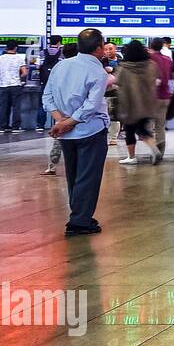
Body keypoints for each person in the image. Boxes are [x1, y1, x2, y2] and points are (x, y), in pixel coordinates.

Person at [42, 28, 111, 235]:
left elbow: (47, 97)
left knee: (73, 176)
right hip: (90, 131)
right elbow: (91, 106)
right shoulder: (98, 71)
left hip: (66, 133)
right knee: (88, 176)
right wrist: (68, 122)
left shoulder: (60, 66)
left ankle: (80, 215)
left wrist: (60, 121)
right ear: (98, 48)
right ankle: (79, 222)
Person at [111, 39, 162, 166]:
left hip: (129, 105)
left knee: (130, 131)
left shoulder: (124, 67)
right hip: (146, 104)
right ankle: (154, 149)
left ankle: (131, 157)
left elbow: (117, 83)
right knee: (143, 130)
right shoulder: (151, 65)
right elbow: (156, 79)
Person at [40, 43, 80, 175]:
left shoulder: (58, 68)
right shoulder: (85, 68)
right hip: (80, 116)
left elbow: (47, 95)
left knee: (59, 141)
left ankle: (51, 166)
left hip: (62, 115)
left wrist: (60, 119)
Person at [145, 37, 174, 156]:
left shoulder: (148, 59)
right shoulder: (168, 59)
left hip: (151, 97)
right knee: (160, 126)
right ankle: (160, 152)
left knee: (146, 126)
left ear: (151, 46)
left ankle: (154, 149)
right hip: (165, 96)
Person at [0, 40, 27, 133]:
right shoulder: (19, 58)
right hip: (16, 85)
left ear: (6, 48)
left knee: (2, 107)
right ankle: (15, 127)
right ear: (16, 48)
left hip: (3, 85)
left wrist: (1, 77)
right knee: (16, 107)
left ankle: (1, 127)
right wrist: (18, 77)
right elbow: (25, 72)